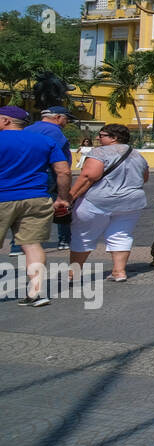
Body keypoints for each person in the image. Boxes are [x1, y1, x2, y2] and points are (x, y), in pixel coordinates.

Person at [0, 106, 71, 305]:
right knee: (32, 245)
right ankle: (36, 292)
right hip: (37, 198)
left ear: (6, 121)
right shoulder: (45, 141)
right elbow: (63, 172)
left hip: (2, 197)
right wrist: (62, 198)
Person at [68, 124, 149, 283]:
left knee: (83, 235)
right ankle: (119, 272)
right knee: (121, 234)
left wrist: (70, 197)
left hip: (98, 201)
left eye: (102, 135)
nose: (98, 138)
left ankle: (73, 274)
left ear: (114, 138)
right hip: (131, 202)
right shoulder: (137, 154)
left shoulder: (99, 152)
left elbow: (88, 176)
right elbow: (144, 177)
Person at [30, 107, 73, 249]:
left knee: (30, 208)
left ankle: (18, 245)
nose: (66, 122)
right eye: (66, 119)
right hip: (51, 173)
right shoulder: (54, 132)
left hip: (31, 173)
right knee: (61, 206)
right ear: (58, 117)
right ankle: (64, 240)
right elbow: (55, 156)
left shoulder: (28, 129)